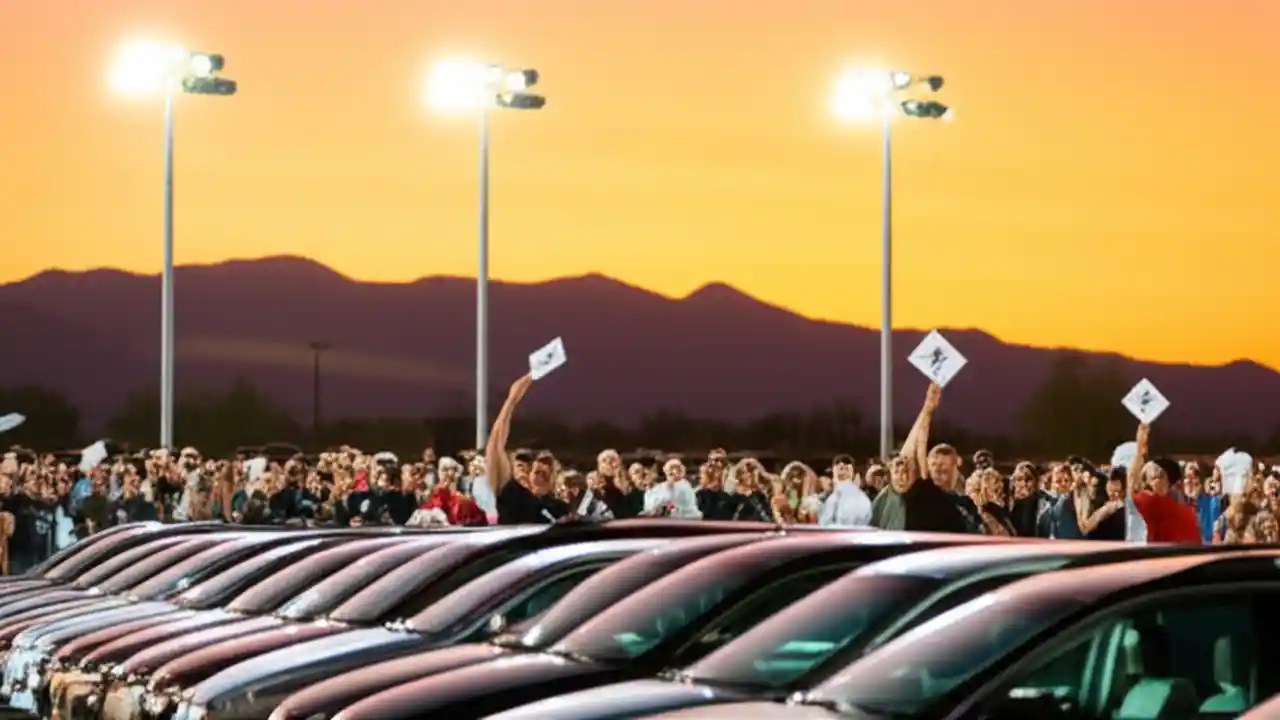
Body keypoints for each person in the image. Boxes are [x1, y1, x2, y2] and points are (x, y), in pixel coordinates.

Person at [485, 374, 570, 524]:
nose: (540, 476)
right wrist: (511, 402)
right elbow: (495, 443)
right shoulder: (511, 493)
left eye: (546, 473)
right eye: (537, 471)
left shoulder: (560, 508)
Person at [1125, 422, 1201, 544]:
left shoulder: (1185, 511)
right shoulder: (1146, 503)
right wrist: (1140, 449)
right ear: (1146, 483)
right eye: (1154, 477)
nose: (1159, 481)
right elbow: (1133, 487)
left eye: (1162, 476)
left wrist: (1141, 448)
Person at [820, 454, 872, 526]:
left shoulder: (863, 500)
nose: (841, 466)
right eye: (839, 467)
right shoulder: (823, 499)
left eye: (846, 468)